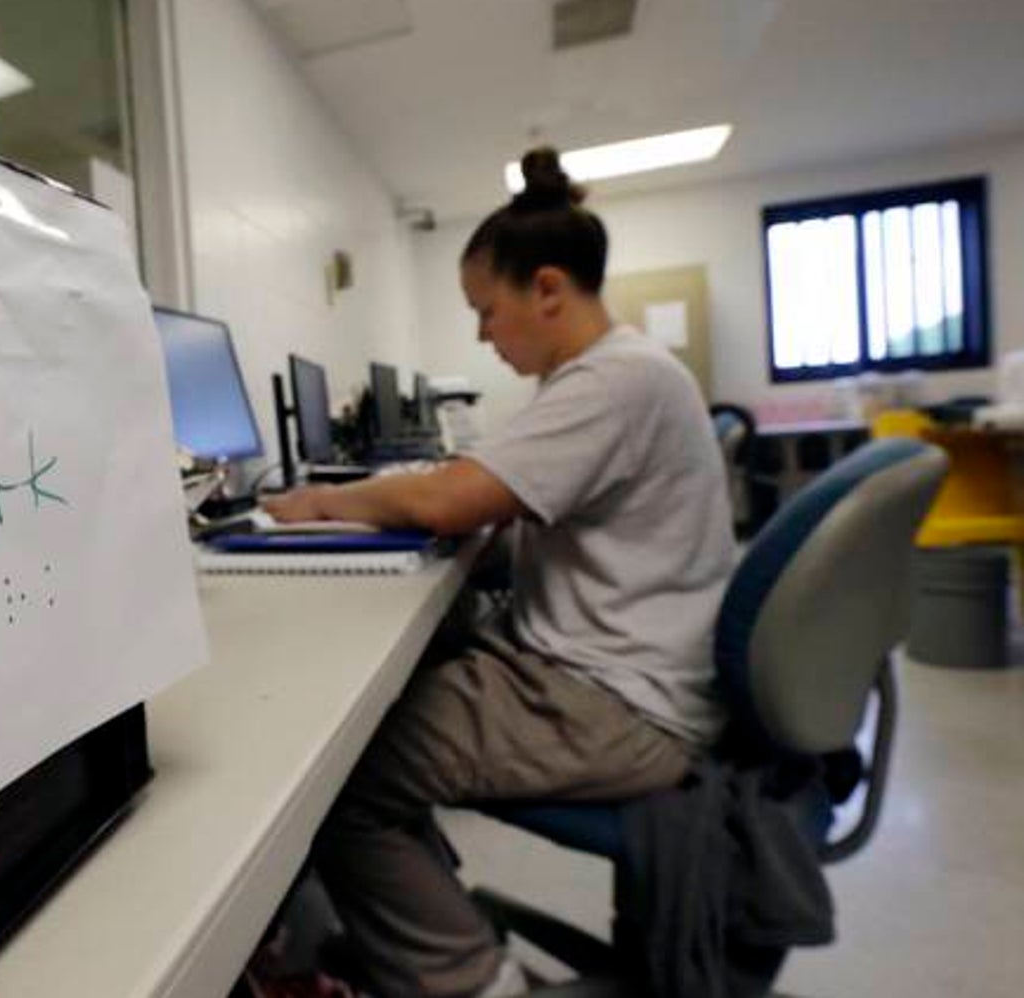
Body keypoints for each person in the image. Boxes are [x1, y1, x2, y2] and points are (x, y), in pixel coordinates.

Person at [262, 148, 736, 998]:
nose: (483, 334)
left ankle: (471, 980)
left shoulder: (616, 381)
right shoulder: (612, 376)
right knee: (383, 715)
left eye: (486, 311)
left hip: (616, 702)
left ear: (547, 289)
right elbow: (546, 526)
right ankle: (417, 928)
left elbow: (451, 500)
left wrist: (324, 502)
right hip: (618, 671)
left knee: (335, 778)